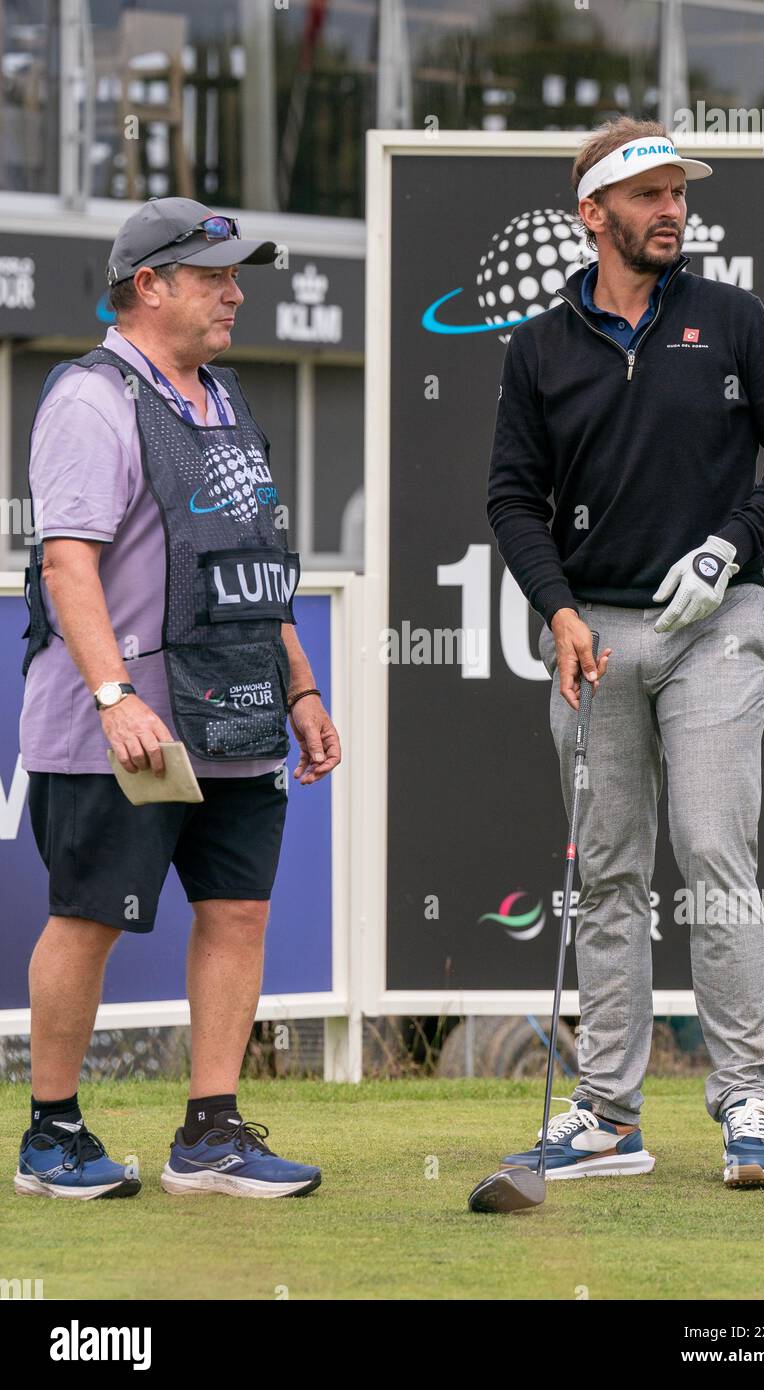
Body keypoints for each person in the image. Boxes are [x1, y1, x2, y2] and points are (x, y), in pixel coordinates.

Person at [487, 118, 764, 1187]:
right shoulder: (538, 347)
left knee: (714, 854)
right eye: (646, 194)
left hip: (715, 626)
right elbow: (511, 498)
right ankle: (604, 1116)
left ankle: (742, 1099)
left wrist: (730, 543)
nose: (670, 209)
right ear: (592, 213)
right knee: (605, 875)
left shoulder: (728, 318)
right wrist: (556, 612)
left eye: (677, 193)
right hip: (594, 632)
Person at [16, 197, 340, 1200]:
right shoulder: (89, 398)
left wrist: (301, 683)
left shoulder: (226, 396)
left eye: (237, 277)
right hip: (125, 728)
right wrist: (114, 695)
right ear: (149, 285)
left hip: (234, 712)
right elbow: (68, 562)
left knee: (237, 912)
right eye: (216, 278)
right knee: (88, 917)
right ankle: (52, 1135)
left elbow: (254, 562)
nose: (236, 294)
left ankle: (210, 1133)